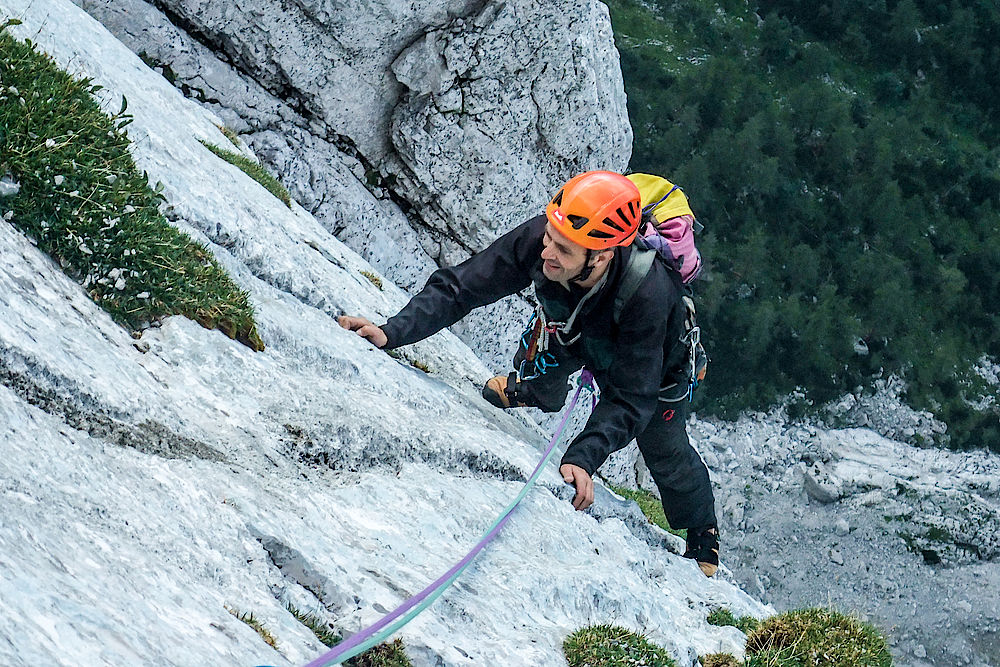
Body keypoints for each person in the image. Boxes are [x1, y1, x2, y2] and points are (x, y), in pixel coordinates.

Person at [339, 171, 720, 577]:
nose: (547, 253)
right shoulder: (549, 237)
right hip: (573, 329)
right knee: (544, 369)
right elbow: (462, 286)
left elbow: (631, 398)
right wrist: (392, 331)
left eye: (564, 250)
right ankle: (536, 391)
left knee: (664, 448)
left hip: (655, 368)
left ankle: (702, 530)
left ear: (603, 255)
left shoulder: (649, 291)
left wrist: (582, 457)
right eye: (549, 239)